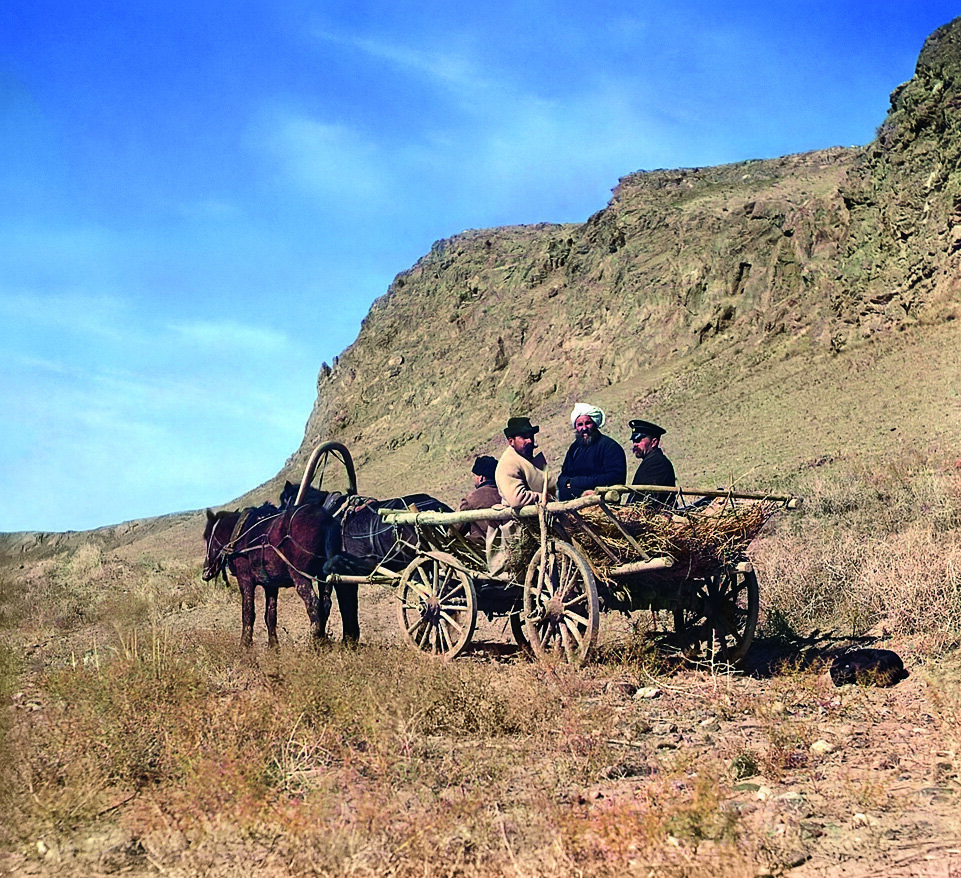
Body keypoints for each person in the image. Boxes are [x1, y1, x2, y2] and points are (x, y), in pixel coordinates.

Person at [557, 403, 627, 500]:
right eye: (580, 425)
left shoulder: (610, 447)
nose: (584, 428)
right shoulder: (575, 448)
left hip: (601, 503)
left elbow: (615, 478)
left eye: (588, 423)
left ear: (595, 424)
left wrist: (576, 483)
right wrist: (566, 483)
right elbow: (563, 476)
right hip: (573, 504)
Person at [494, 416, 557, 508]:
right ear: (511, 441)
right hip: (529, 519)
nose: (530, 441)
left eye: (531, 436)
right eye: (524, 437)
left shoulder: (525, 458)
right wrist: (544, 497)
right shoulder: (509, 464)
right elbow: (517, 499)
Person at [628, 419, 676, 508]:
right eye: (633, 441)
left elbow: (646, 499)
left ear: (653, 442)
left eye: (638, 440)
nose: (635, 444)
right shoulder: (651, 460)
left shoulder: (657, 463)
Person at [455, 455, 502, 542]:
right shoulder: (504, 493)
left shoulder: (471, 499)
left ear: (481, 478)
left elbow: (455, 531)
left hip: (480, 547)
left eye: (475, 476)